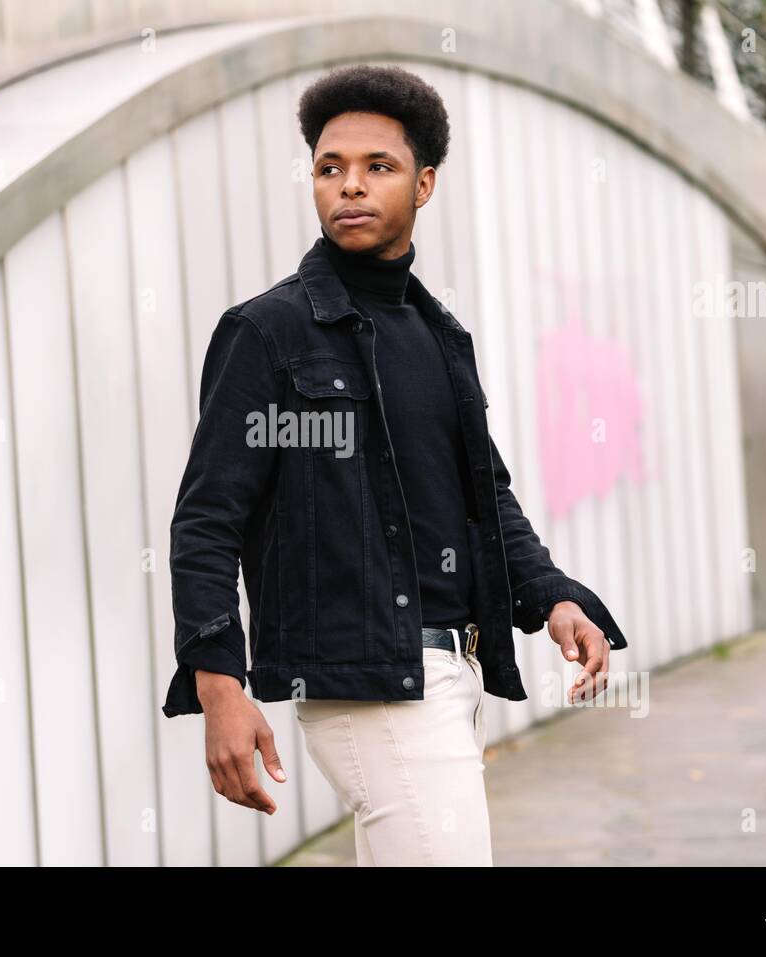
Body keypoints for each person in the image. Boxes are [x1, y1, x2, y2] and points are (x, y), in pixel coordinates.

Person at [162, 64, 627, 866]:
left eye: (378, 167)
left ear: (425, 183)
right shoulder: (268, 332)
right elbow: (208, 518)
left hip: (451, 669)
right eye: (329, 168)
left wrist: (551, 597)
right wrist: (217, 681)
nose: (350, 186)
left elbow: (487, 498)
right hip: (368, 683)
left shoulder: (440, 336)